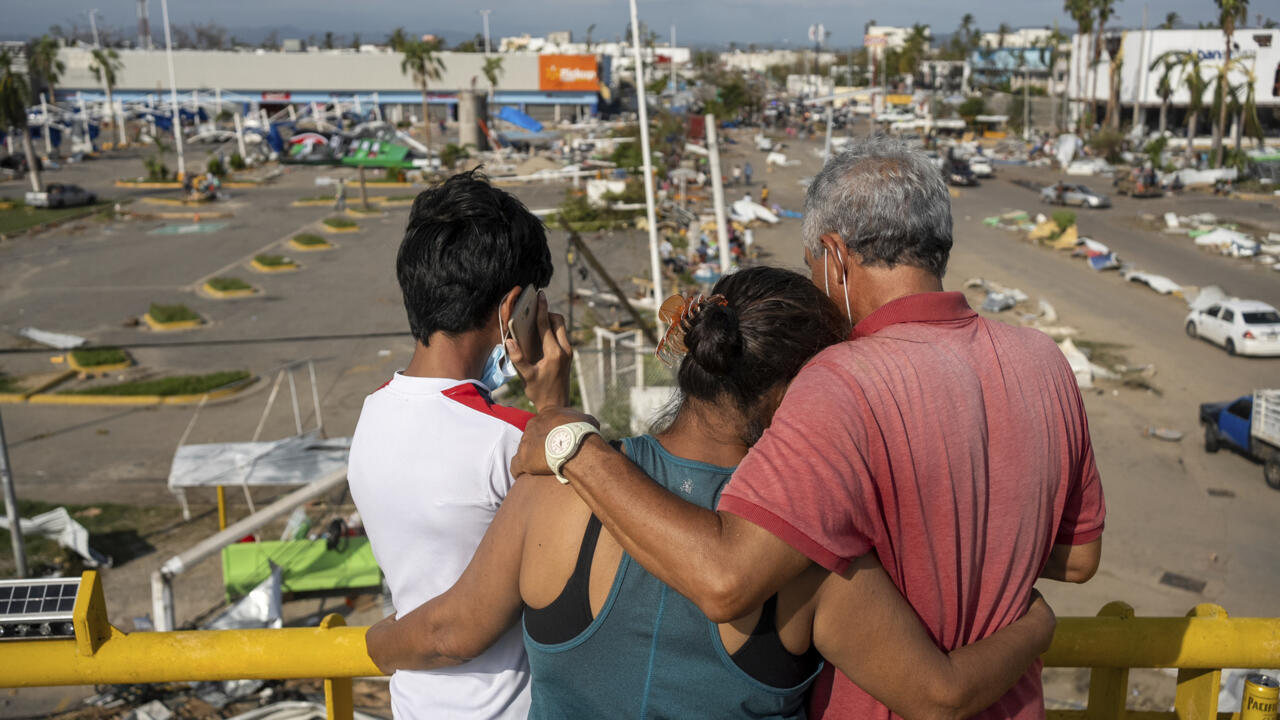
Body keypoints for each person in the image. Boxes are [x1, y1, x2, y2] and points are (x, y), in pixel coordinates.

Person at [512, 137, 1105, 719]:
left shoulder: (840, 380)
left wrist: (577, 446)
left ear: (834, 255)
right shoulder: (1043, 361)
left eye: (811, 269)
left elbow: (726, 580)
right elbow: (1078, 559)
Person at [367, 267, 1057, 719]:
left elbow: (447, 631)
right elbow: (939, 695)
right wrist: (1037, 626)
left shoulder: (559, 488)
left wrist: (370, 644)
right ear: (797, 394)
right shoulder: (807, 556)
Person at [348, 170, 572, 720]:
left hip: (418, 702)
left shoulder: (371, 415)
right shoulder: (512, 439)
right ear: (512, 308)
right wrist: (555, 410)